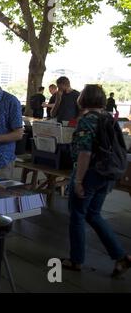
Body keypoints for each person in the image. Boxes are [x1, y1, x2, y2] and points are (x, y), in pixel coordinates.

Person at [62, 84, 131, 277]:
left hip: (90, 174)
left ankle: (75, 260)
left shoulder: (87, 119)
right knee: (93, 214)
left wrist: (78, 181)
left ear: (83, 99)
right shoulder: (108, 118)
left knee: (77, 215)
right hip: (107, 174)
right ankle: (120, 256)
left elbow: (84, 152)